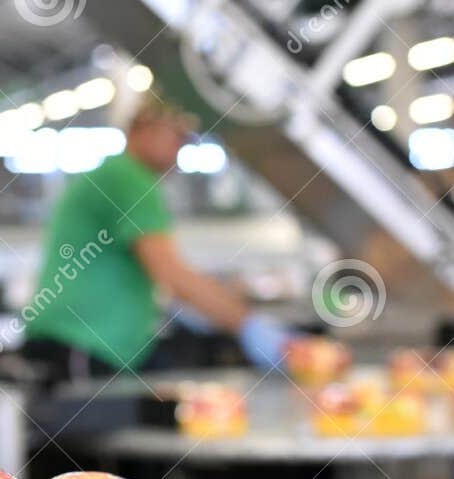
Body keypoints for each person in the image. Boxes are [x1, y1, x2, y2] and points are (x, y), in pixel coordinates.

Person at [20, 97, 294, 378]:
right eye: (177, 133)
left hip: (72, 343)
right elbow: (171, 273)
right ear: (143, 127)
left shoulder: (115, 174)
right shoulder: (129, 180)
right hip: (82, 346)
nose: (183, 145)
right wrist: (247, 324)